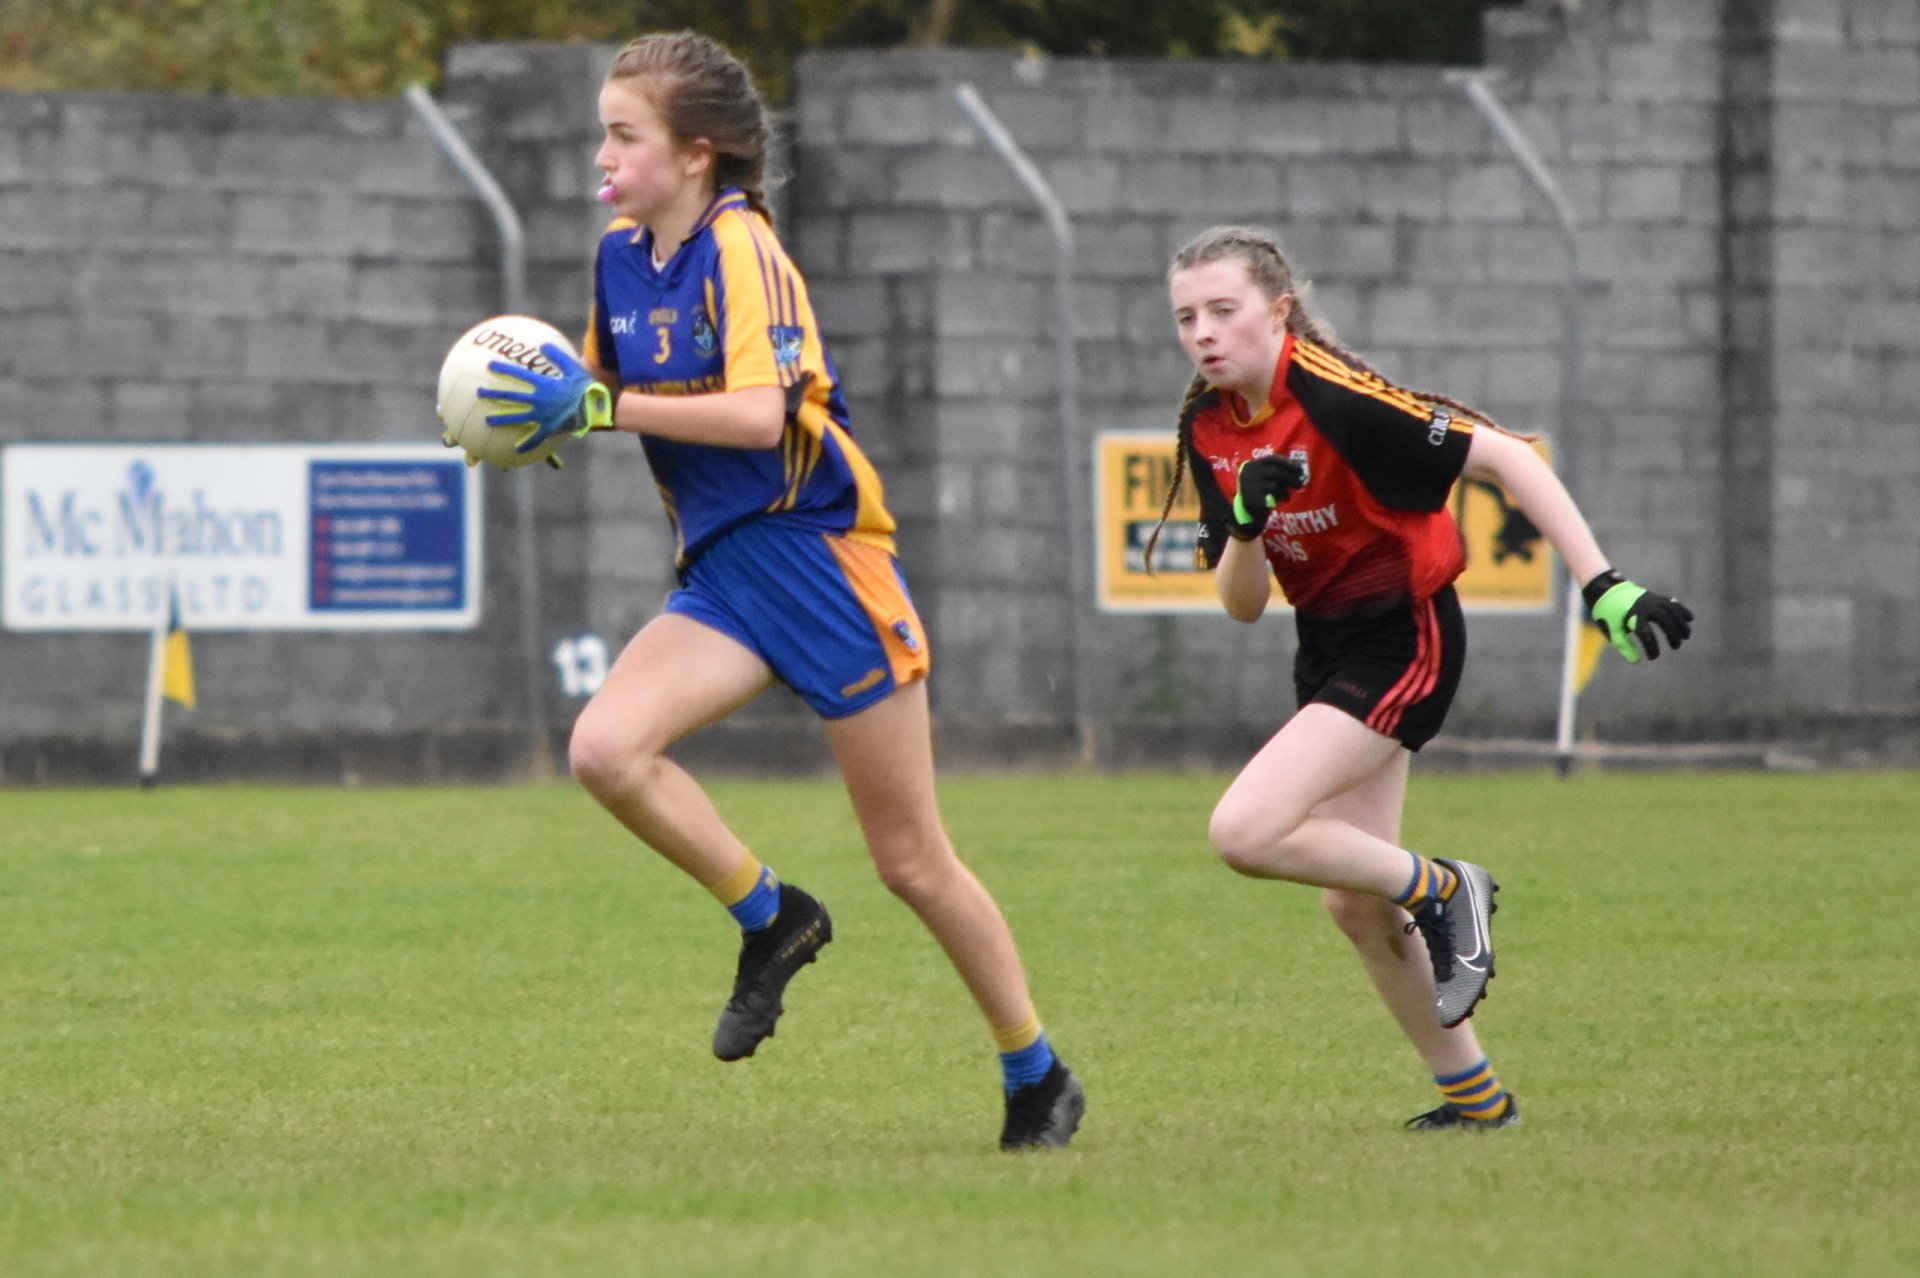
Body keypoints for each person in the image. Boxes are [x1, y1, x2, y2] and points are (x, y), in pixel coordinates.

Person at [474, 30, 1083, 1151]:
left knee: (910, 861)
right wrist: (517, 408)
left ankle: (1035, 1072)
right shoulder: (619, 257)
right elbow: (599, 384)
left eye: (624, 135)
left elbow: (759, 415)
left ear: (698, 155)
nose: (601, 154)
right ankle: (774, 915)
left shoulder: (744, 249)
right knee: (606, 751)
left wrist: (601, 410)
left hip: (822, 563)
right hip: (724, 573)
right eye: (602, 131)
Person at [1149, 226, 1692, 1130]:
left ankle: (1448, 889)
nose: (1203, 333)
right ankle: (1476, 1101)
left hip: (1407, 639)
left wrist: (1603, 585)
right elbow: (1242, 605)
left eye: (1223, 311)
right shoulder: (1210, 429)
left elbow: (1510, 455)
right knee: (1355, 904)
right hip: (1327, 647)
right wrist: (1246, 519)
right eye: (1185, 318)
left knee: (1243, 830)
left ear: (1279, 312)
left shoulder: (1337, 398)